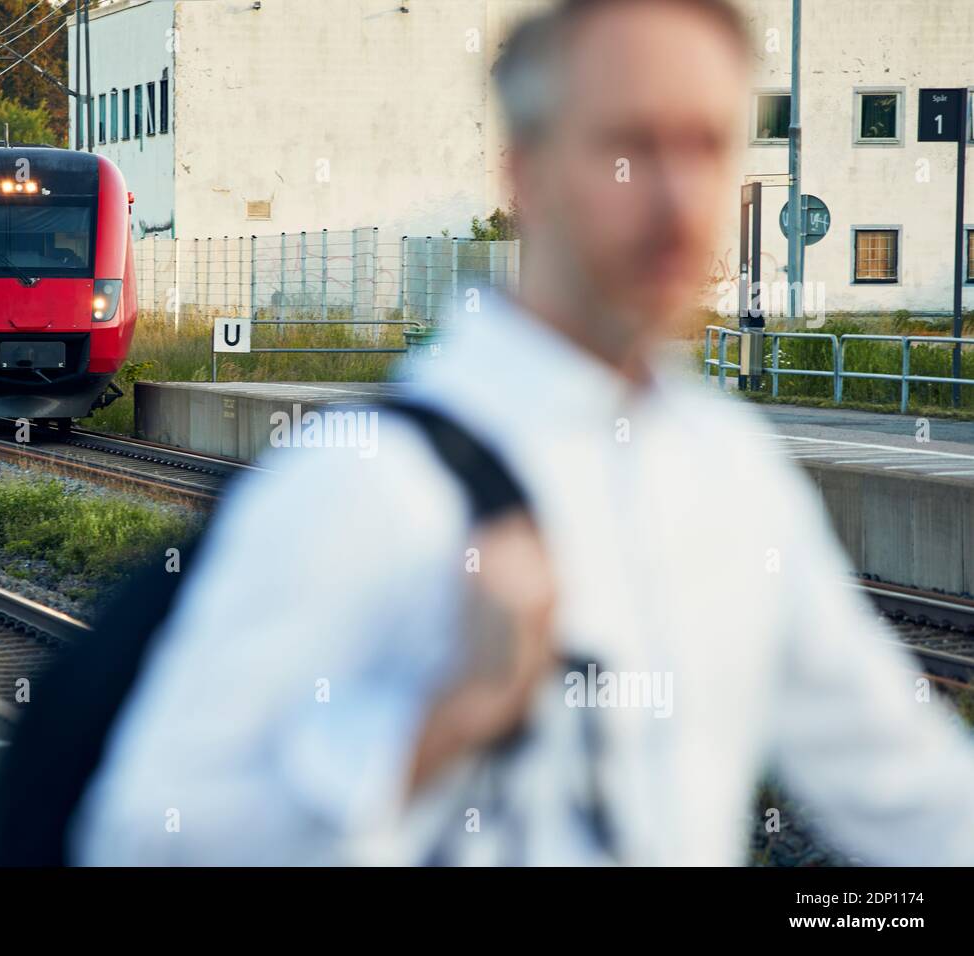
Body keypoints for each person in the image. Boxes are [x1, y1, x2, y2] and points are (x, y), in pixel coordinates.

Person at [69, 0, 974, 865]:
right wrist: (444, 720)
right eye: (629, 145)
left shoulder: (732, 475)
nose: (674, 197)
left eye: (703, 145)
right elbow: (144, 837)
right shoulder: (363, 483)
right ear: (525, 170)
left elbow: (915, 796)